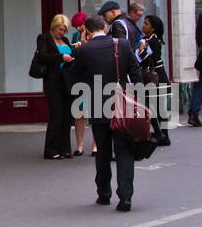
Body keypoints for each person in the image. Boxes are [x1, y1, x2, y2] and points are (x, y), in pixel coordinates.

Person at [69, 14, 144, 211]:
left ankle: (104, 193)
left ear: (87, 30)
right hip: (121, 104)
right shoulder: (123, 45)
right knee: (124, 151)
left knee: (102, 151)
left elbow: (75, 76)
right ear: (104, 26)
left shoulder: (84, 50)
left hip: (97, 104)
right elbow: (136, 74)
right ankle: (126, 196)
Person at [36, 14, 74, 158]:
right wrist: (61, 57)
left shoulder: (65, 40)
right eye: (60, 29)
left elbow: (71, 52)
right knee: (56, 115)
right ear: (54, 27)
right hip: (53, 81)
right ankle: (51, 149)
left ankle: (65, 148)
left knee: (66, 117)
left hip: (66, 81)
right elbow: (43, 56)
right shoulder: (43, 38)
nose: (62, 33)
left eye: (64, 30)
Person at [136, 14, 170, 146]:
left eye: (146, 24)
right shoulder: (145, 39)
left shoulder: (154, 40)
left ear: (153, 28)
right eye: (143, 23)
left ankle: (164, 135)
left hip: (157, 76)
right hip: (148, 76)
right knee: (151, 106)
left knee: (158, 107)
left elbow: (153, 59)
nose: (143, 26)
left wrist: (142, 52)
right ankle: (159, 132)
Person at [69, 13, 91, 156]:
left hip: (91, 75)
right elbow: (73, 53)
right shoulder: (75, 35)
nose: (78, 28)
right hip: (79, 76)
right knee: (79, 113)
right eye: (76, 26)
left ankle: (96, 146)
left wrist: (84, 44)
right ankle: (80, 145)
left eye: (80, 25)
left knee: (95, 112)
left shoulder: (93, 35)